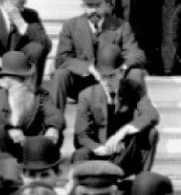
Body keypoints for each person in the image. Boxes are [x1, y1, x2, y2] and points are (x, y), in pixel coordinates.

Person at [46, 0, 146, 108]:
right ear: (83, 5)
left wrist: (121, 69)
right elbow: (62, 59)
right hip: (81, 83)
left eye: (97, 5)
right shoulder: (70, 26)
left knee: (136, 73)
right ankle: (53, 124)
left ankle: (134, 120)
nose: (93, 10)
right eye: (89, 6)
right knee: (60, 74)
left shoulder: (121, 26)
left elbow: (137, 54)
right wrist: (88, 68)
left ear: (106, 3)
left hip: (111, 84)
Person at [66, 44, 158, 173]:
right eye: (102, 76)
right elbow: (81, 135)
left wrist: (123, 132)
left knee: (151, 133)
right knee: (80, 155)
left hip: (123, 152)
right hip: (98, 152)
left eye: (111, 76)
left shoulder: (134, 88)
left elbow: (152, 114)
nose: (106, 82)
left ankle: (141, 181)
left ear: (121, 72)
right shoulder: (86, 95)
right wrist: (100, 149)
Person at [0, 50, 65, 163]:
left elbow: (53, 113)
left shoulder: (40, 93)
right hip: (8, 147)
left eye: (28, 77)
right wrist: (10, 129)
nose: (27, 83)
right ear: (6, 81)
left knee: (56, 133)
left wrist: (53, 127)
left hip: (33, 145)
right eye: (21, 79)